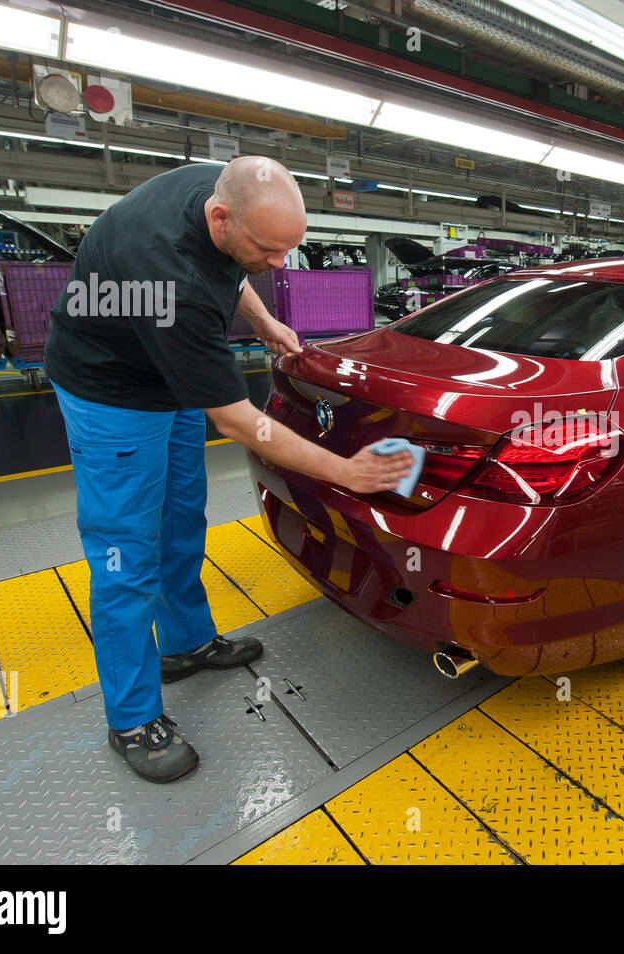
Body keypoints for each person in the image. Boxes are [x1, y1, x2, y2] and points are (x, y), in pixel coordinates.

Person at [44, 157, 412, 783]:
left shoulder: (224, 186)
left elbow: (232, 265)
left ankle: (185, 642)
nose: (276, 266)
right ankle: (132, 719)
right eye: (268, 252)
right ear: (220, 217)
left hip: (167, 377)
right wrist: (344, 472)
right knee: (125, 553)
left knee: (183, 517)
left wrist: (265, 321)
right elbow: (242, 423)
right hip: (111, 391)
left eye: (287, 251)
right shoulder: (168, 277)